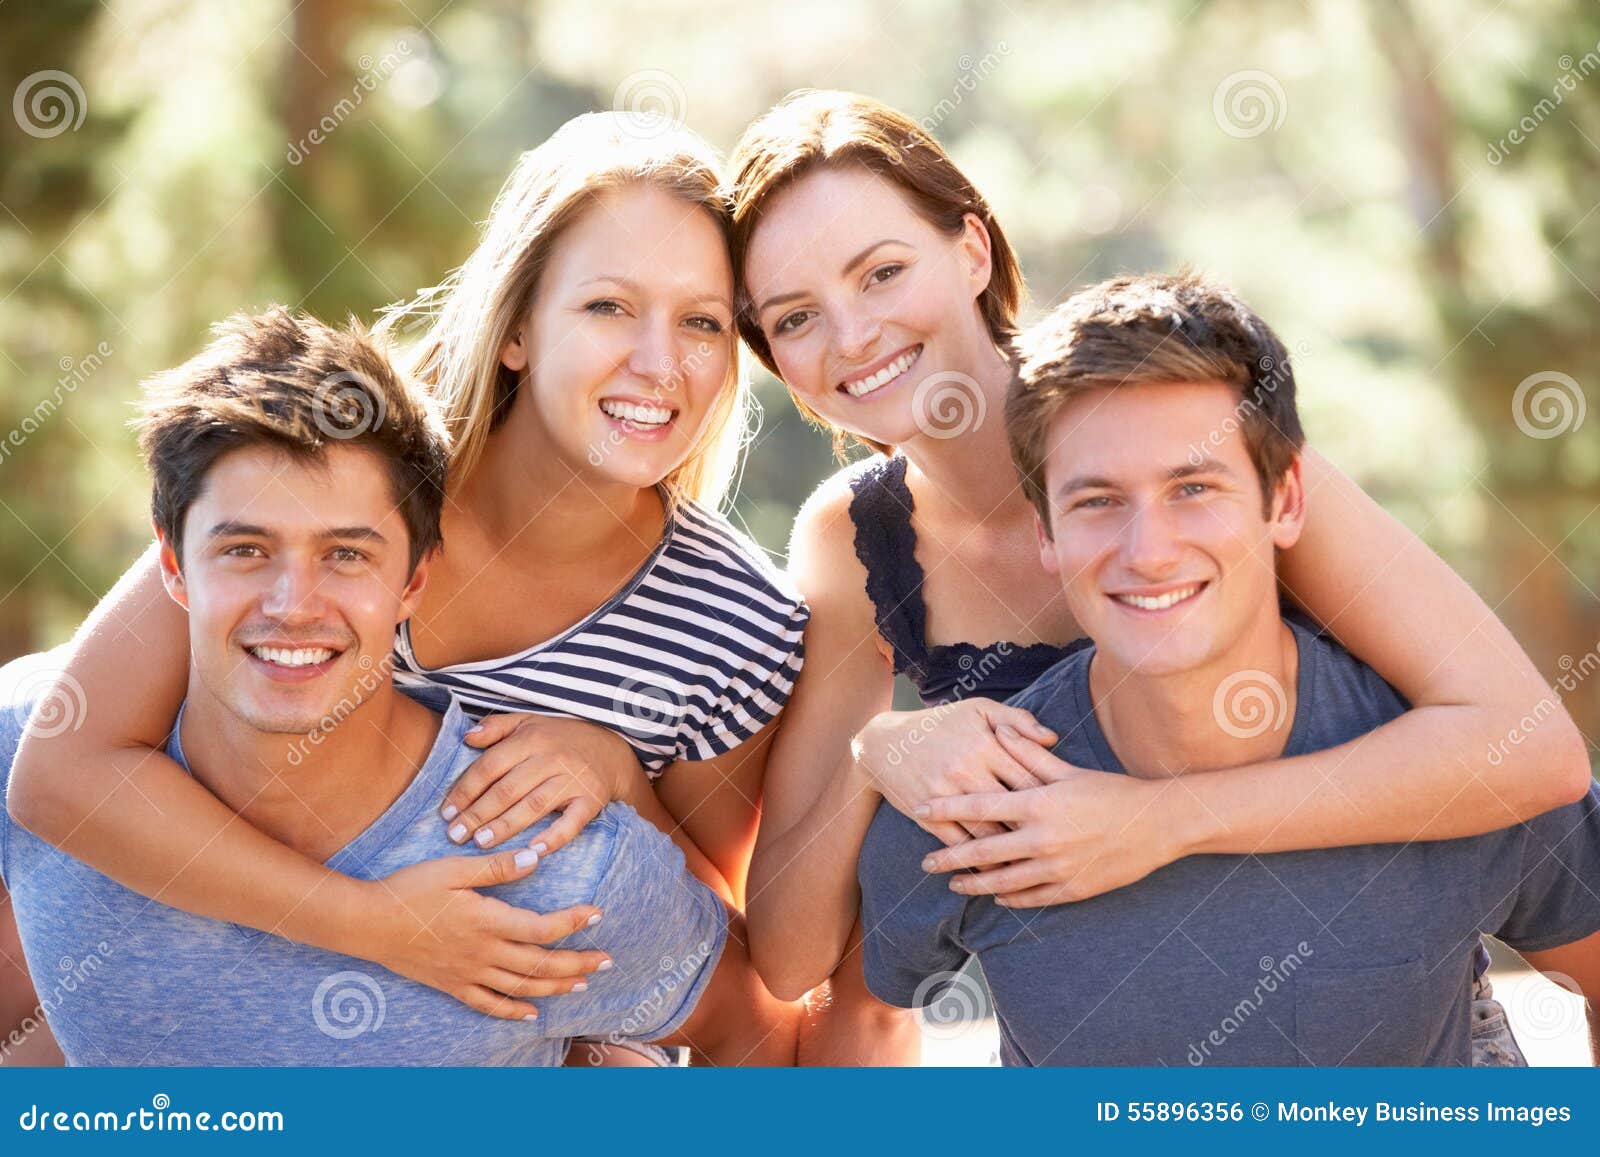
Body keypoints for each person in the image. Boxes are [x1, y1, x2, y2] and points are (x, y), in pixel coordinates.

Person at [730, 91, 1590, 1064]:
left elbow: (1532, 751)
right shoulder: (856, 536)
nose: (851, 337)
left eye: (882, 272)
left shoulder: (1179, 426)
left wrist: (1158, 822)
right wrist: (876, 744)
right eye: (796, 317)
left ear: (971, 250)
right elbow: (793, 952)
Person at [5, 114, 799, 1066]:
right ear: (515, 329)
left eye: (702, 322)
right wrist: (374, 925)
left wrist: (617, 769)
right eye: (609, 307)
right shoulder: (358, 456)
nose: (658, 362)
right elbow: (61, 769)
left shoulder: (730, 619)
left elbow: (713, 930)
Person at [858, 273, 1600, 1065]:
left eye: (1193, 487)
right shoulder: (974, 802)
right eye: (1099, 501)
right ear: (1045, 533)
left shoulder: (1463, 774)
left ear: (1284, 501)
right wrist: (871, 742)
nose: (1148, 551)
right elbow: (844, 1013)